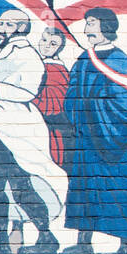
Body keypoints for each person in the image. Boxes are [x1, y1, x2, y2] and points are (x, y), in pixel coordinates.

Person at [0, 10, 69, 254]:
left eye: (5, 24)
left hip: (17, 130)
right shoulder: (5, 51)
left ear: (19, 28)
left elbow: (28, 92)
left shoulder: (28, 55)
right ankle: (2, 241)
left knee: (21, 186)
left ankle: (46, 236)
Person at [63, 8, 127, 254]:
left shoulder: (120, 60)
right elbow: (71, 94)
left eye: (92, 23)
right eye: (87, 23)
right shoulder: (83, 59)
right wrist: (80, 107)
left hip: (113, 140)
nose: (87, 28)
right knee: (85, 189)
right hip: (88, 139)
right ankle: (84, 242)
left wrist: (93, 105)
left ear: (106, 26)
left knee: (117, 190)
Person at [32, 26, 73, 167]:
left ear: (59, 49)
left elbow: (53, 104)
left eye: (53, 44)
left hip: (51, 129)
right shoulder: (40, 65)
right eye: (44, 40)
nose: (46, 45)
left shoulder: (55, 69)